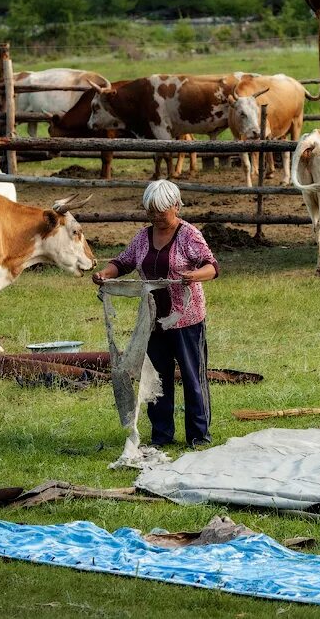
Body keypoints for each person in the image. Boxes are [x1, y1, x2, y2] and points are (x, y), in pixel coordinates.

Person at [92, 180, 220, 449]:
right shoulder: (142, 237)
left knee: (192, 377)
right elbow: (123, 262)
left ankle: (198, 435)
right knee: (156, 379)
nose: (156, 217)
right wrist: (105, 273)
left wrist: (193, 276)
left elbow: (211, 266)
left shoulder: (189, 235)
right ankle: (162, 435)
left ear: (175, 206)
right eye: (150, 212)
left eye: (161, 211)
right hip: (153, 321)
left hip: (185, 320)